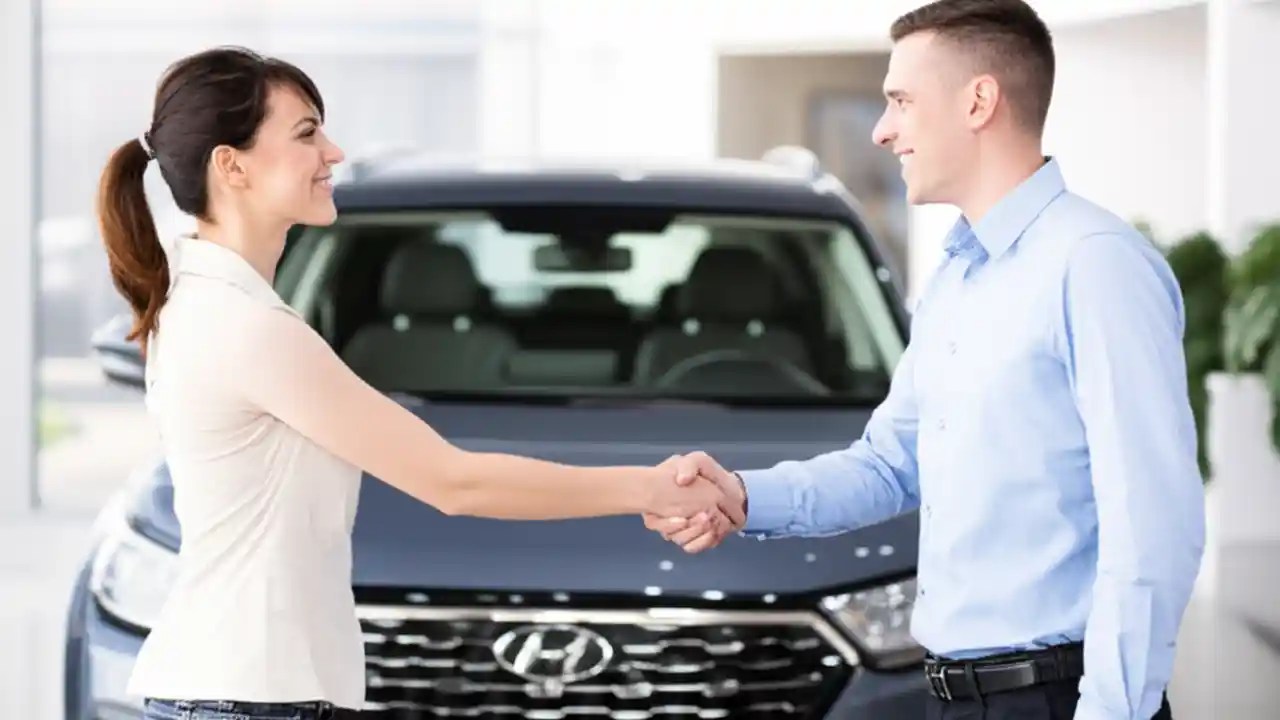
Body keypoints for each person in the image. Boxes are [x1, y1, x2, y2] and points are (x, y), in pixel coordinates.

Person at [97, 47, 740, 720]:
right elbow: (453, 481)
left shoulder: (203, 301)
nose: (333, 153)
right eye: (307, 133)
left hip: (245, 690)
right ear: (232, 166)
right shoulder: (245, 325)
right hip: (249, 696)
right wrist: (646, 487)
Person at [645, 1, 1204, 719]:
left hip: (1057, 699)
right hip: (955, 698)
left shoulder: (1094, 266)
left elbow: (1154, 523)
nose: (883, 130)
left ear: (979, 101)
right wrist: (745, 497)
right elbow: (889, 464)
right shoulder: (957, 277)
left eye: (901, 101)